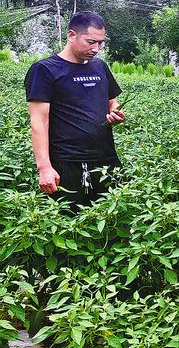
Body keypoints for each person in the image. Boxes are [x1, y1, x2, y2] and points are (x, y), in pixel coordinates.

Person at [24, 11, 125, 210]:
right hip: (67, 162)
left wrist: (115, 112)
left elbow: (112, 101)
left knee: (113, 216)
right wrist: (44, 168)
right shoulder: (44, 70)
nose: (96, 48)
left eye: (100, 43)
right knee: (69, 219)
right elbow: (38, 122)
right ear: (71, 35)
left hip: (105, 158)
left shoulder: (100, 67)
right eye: (90, 42)